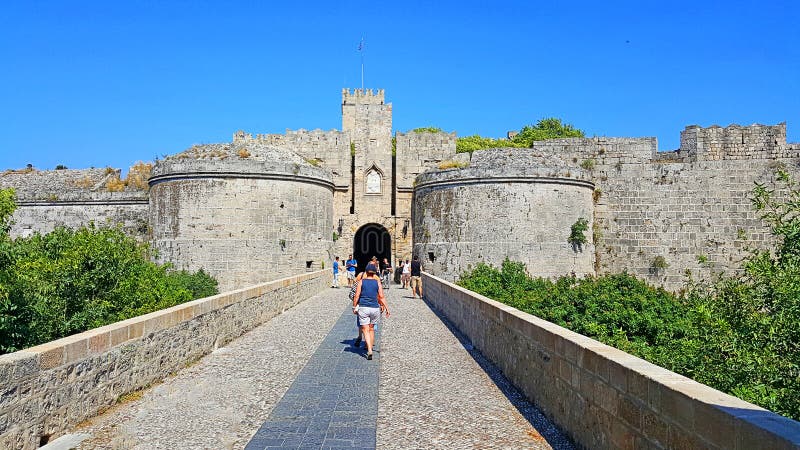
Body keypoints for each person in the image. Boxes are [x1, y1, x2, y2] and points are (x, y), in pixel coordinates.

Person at [352, 263, 390, 360]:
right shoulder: (377, 282)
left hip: (364, 308)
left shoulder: (362, 282)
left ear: (366, 272)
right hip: (375, 308)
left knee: (365, 329)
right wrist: (386, 308)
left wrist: (354, 306)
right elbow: (381, 296)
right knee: (371, 328)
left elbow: (356, 295)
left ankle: (369, 349)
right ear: (374, 273)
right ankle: (370, 347)